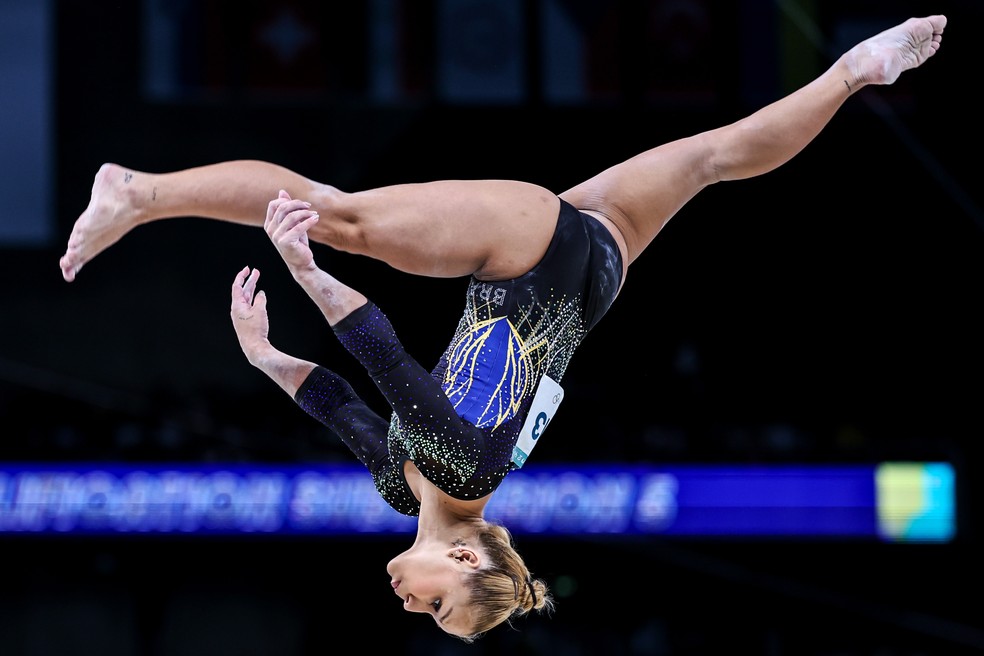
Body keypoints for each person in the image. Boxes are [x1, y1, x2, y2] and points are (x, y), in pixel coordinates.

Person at [58, 15, 946, 642]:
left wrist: (265, 356)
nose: (414, 606)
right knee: (337, 219)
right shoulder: (465, 472)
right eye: (442, 607)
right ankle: (140, 191)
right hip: (523, 266)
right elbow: (384, 357)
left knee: (715, 158)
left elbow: (340, 405)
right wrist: (306, 273)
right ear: (472, 564)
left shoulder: (411, 493)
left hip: (591, 278)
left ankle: (858, 69)